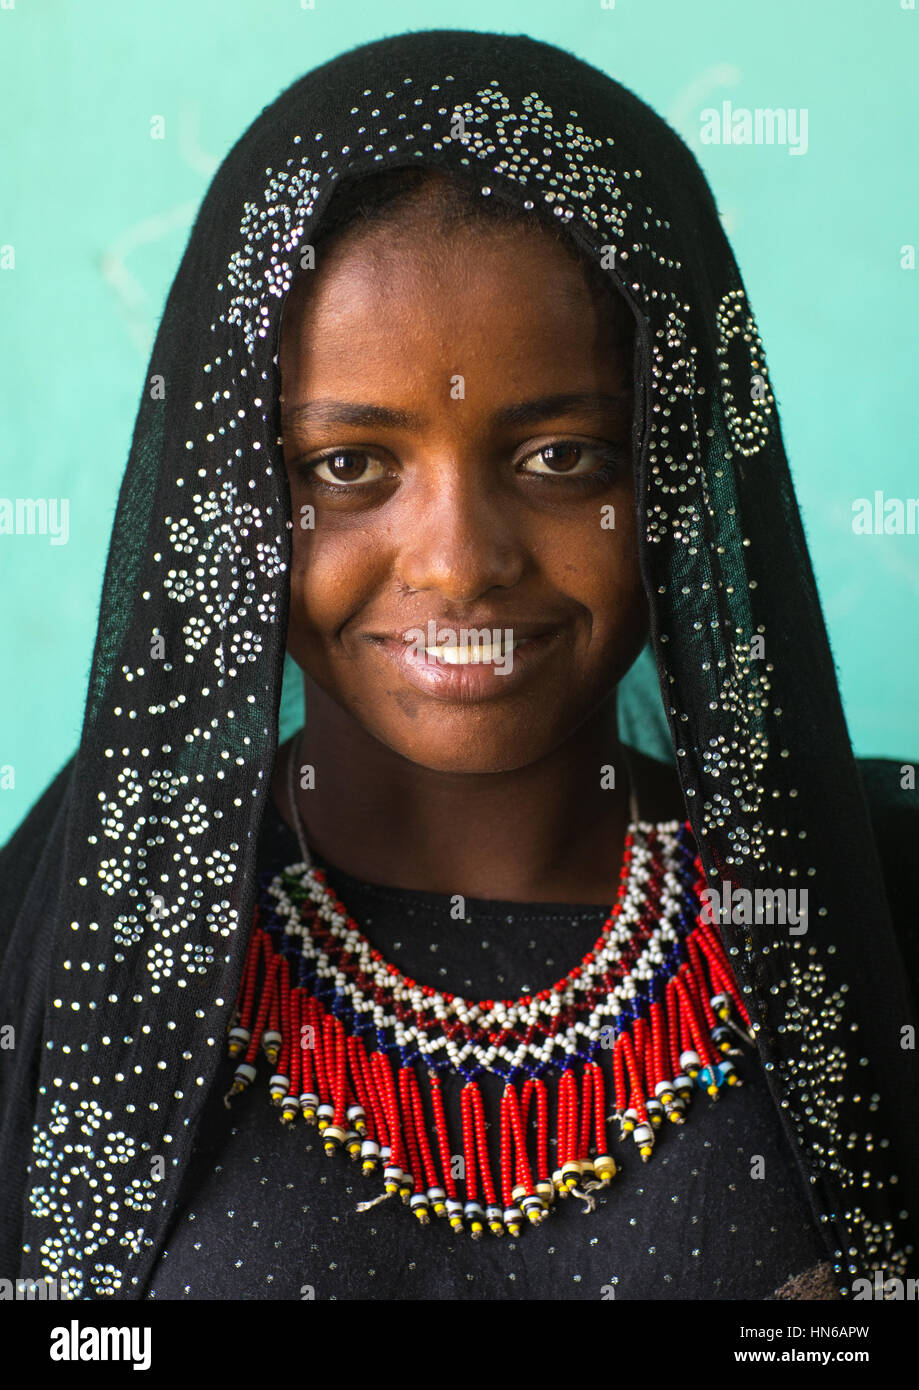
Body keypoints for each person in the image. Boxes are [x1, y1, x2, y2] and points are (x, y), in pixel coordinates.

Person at [1, 28, 917, 1303]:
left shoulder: (861, 908)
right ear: (238, 492)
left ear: (674, 478)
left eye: (560, 458)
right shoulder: (88, 921)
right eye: (349, 466)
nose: (460, 559)